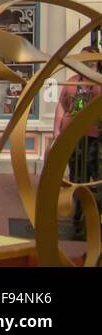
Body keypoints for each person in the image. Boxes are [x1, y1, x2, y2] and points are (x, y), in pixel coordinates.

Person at [54, 52, 100, 238]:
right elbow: (62, 105)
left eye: (88, 59)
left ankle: (94, 214)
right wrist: (56, 128)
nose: (85, 63)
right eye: (82, 60)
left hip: (95, 136)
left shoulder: (98, 82)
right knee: (75, 175)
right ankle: (78, 212)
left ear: (96, 61)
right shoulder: (72, 81)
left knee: (95, 175)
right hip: (72, 136)